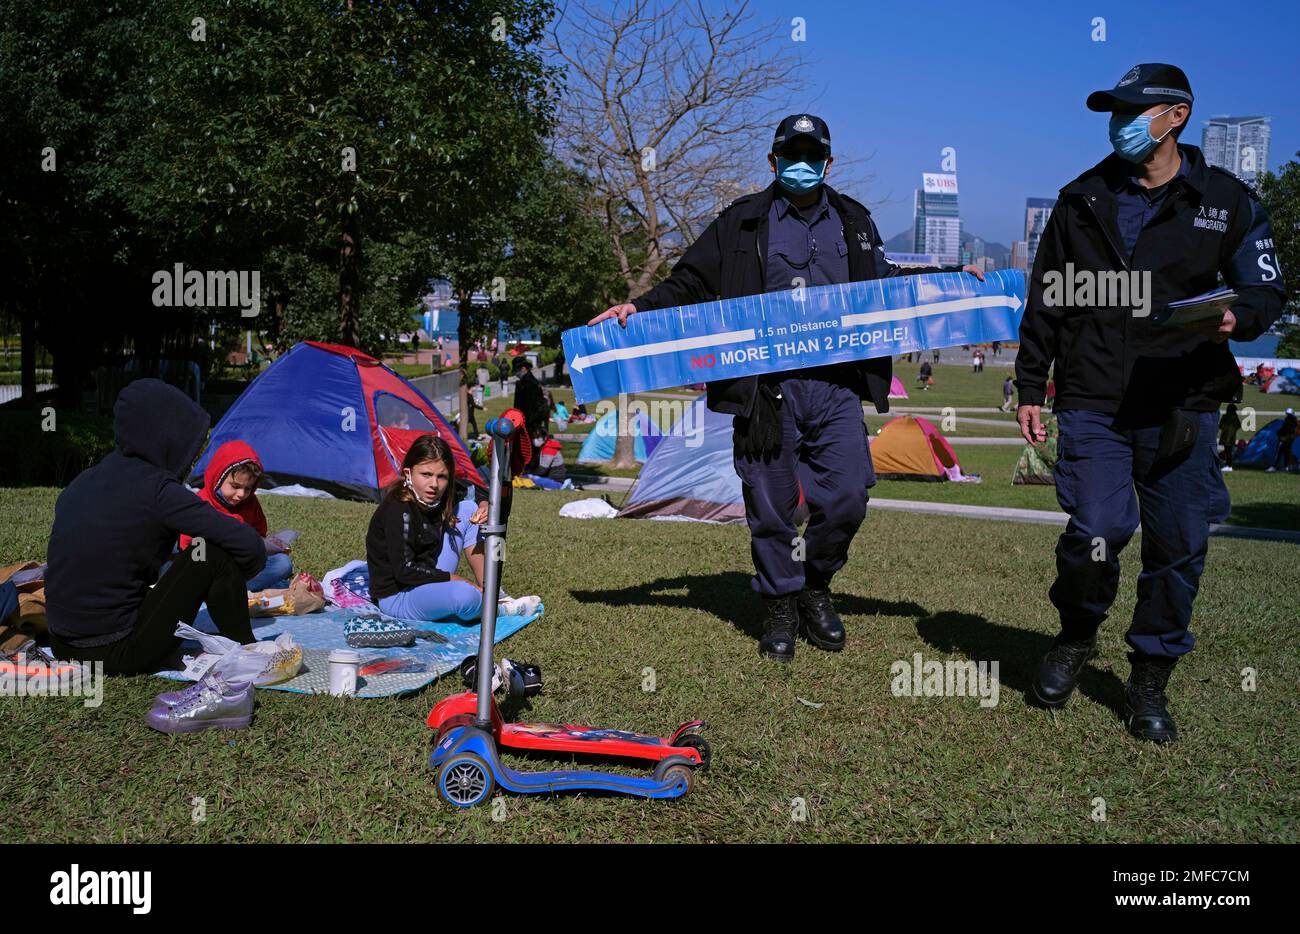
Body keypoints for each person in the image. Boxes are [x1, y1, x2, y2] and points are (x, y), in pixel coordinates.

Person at [588, 113, 985, 662]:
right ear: (773, 162)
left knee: (847, 495)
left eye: (812, 156)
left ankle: (815, 586)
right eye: (790, 156)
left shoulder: (855, 220)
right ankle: (780, 600)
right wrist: (639, 305)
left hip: (837, 385)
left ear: (828, 161)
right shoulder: (741, 222)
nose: (802, 165)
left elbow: (888, 283)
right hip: (766, 389)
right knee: (770, 504)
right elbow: (691, 281)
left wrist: (951, 278)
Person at [1016, 63, 1287, 743]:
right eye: (1114, 112)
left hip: (1185, 404)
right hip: (1093, 398)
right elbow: (1048, 299)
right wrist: (1029, 385)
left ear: (1177, 116)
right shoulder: (1080, 198)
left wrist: (1235, 318)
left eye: (1133, 111)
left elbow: (1266, 292)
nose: (1119, 124)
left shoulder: (1228, 199)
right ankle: (1075, 635)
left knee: (1179, 547)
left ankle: (1149, 677)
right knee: (1098, 532)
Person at [45, 379, 266, 674]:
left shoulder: (83, 481)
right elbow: (249, 545)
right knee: (212, 552)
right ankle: (246, 648)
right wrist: (237, 574)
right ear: (167, 438)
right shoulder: (158, 489)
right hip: (115, 650)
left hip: (62, 644)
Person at [366, 435, 489, 623]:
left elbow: (471, 489)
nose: (434, 484)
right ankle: (495, 609)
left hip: (427, 574)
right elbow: (404, 570)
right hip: (400, 596)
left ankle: (490, 591)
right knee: (464, 595)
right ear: (408, 473)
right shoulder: (398, 509)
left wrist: (483, 504)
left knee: (469, 509)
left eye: (442, 477)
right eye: (426, 475)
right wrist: (454, 579)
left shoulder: (436, 494)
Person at [179, 441, 295, 592]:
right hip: (206, 568)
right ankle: (224, 590)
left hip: (239, 568)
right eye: (235, 486)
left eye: (248, 488)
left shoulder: (250, 503)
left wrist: (267, 547)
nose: (241, 494)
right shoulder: (201, 505)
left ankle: (226, 590)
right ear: (217, 478)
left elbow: (259, 535)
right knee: (172, 569)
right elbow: (189, 546)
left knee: (283, 563)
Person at [1269, 407, 1297, 472]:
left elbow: (1285, 429)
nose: (1288, 415)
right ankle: (1286, 467)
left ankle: (1274, 466)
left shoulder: (1289, 421)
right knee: (1286, 453)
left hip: (1286, 439)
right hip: (1289, 439)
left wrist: (1279, 435)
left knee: (1280, 452)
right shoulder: (1292, 420)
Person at [1217, 403, 1241, 471]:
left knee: (1228, 452)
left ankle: (1229, 465)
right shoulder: (1235, 417)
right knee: (1229, 452)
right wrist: (1233, 430)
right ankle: (1228, 465)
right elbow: (1239, 425)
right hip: (1231, 438)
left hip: (1225, 437)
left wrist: (1226, 428)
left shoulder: (1225, 416)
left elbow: (1221, 426)